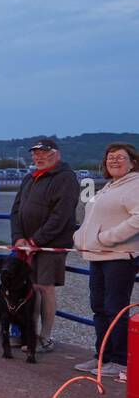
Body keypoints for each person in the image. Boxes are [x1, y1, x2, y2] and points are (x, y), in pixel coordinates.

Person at [73, 142, 139, 378]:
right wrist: (80, 237)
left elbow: (137, 218)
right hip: (97, 255)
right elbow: (89, 216)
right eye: (110, 157)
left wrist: (108, 238)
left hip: (119, 257)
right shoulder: (107, 187)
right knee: (99, 307)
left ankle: (120, 360)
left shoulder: (135, 185)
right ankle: (102, 355)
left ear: (132, 162)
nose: (114, 161)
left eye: (121, 157)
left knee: (116, 308)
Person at [10, 138, 78, 352]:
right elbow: (16, 209)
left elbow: (60, 216)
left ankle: (45, 337)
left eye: (44, 152)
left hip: (51, 245)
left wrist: (36, 241)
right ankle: (29, 333)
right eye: (35, 153)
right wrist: (18, 237)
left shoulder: (66, 179)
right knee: (30, 289)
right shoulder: (29, 178)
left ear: (56, 154)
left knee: (44, 288)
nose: (38, 156)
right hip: (26, 245)